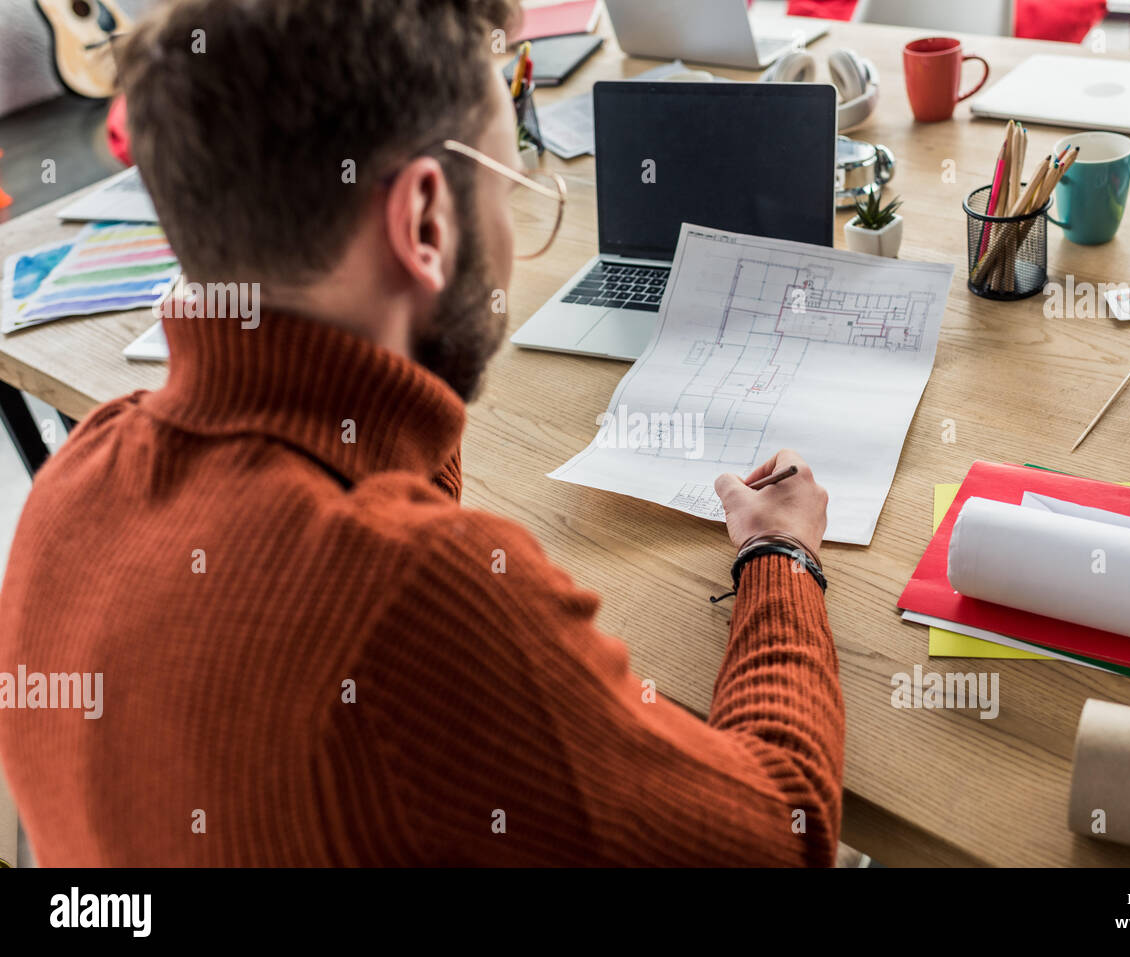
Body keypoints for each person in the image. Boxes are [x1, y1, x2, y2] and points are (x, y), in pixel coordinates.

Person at [0, 0, 843, 866]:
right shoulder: (421, 598)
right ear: (426, 222)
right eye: (507, 188)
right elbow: (786, 832)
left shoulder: (71, 483)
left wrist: (410, 347)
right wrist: (779, 555)